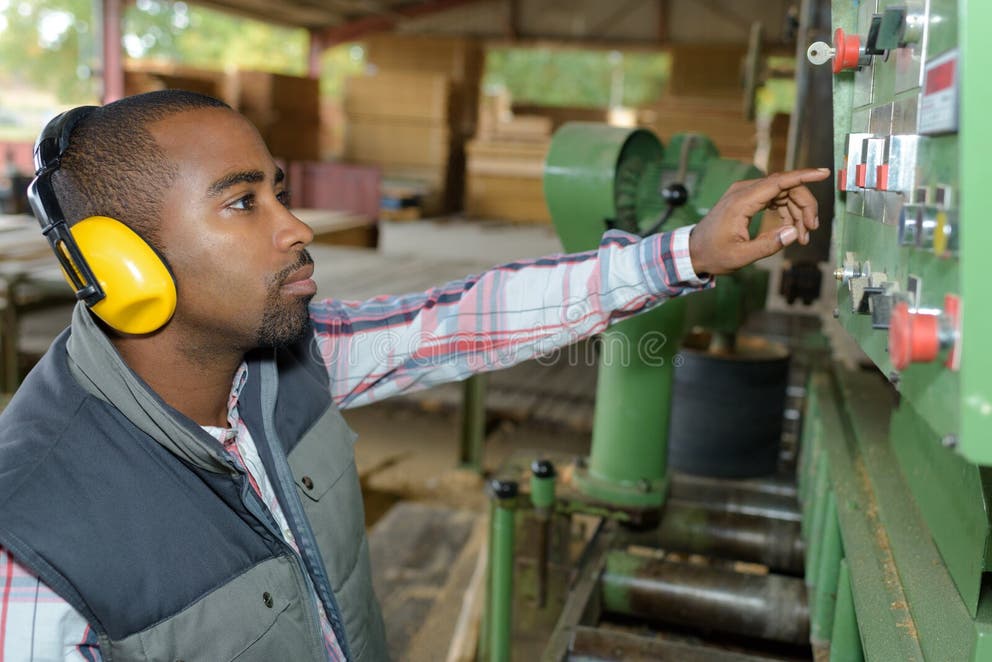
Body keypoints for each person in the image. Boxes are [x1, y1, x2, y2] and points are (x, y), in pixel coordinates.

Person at [0, 90, 828, 661]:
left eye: (279, 191)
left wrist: (686, 251)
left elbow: (464, 321)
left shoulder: (285, 368)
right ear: (123, 263)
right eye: (244, 202)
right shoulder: (36, 543)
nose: (296, 229)